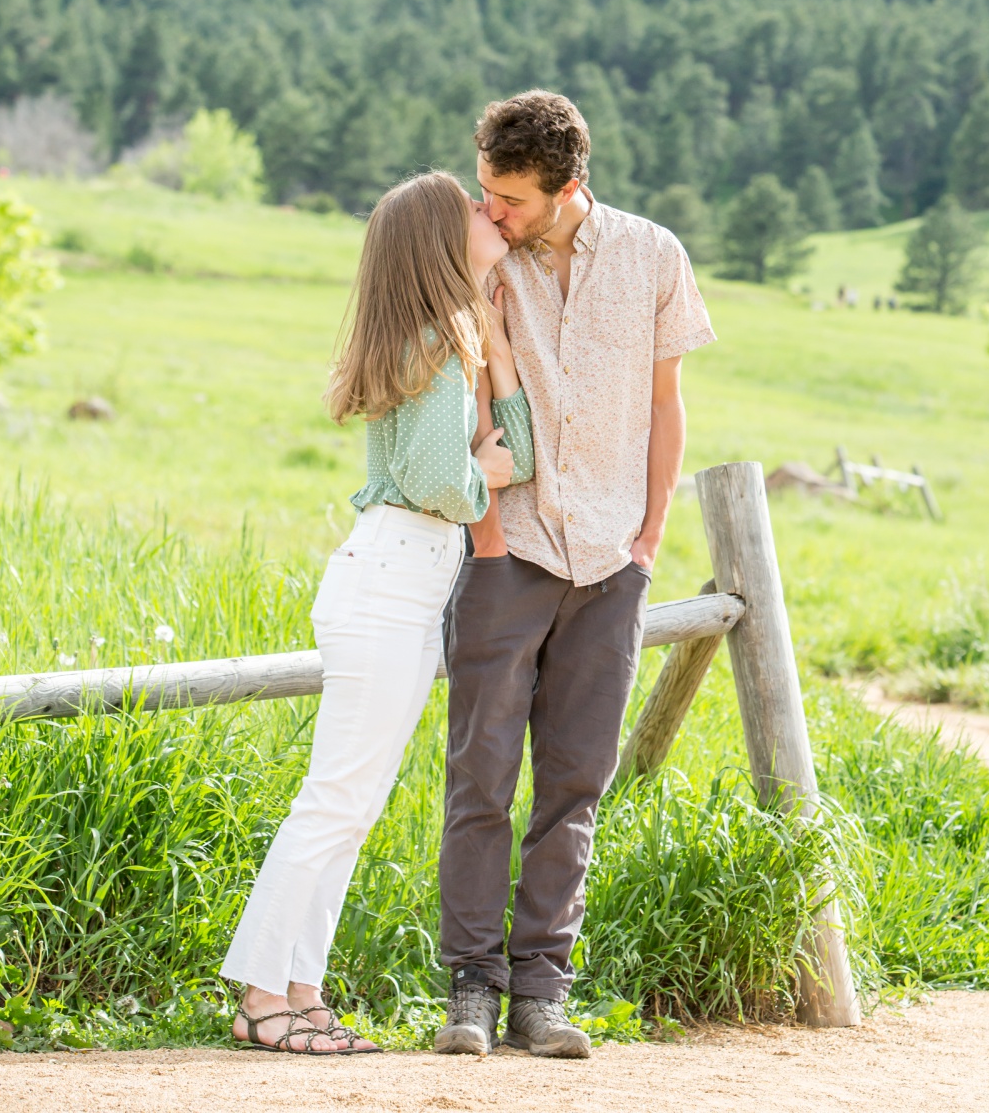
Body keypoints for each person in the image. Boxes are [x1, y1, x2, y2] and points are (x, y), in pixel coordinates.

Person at [222, 170, 534, 1054]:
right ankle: (261, 998)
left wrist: (500, 360)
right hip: (393, 576)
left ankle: (300, 991)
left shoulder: (443, 339)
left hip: (401, 576)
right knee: (335, 801)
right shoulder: (433, 345)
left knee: (351, 807)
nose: (487, 210)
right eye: (471, 206)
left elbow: (518, 454)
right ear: (440, 241)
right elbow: (448, 481)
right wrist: (484, 475)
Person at [435, 92, 716, 1060]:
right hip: (506, 551)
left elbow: (667, 404)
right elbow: (464, 398)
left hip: (610, 562)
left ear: (568, 186)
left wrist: (649, 539)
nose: (492, 210)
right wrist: (485, 541)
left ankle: (541, 998)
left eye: (510, 198)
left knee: (574, 787)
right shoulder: (479, 255)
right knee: (480, 778)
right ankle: (471, 991)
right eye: (486, 189)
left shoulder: (653, 255)